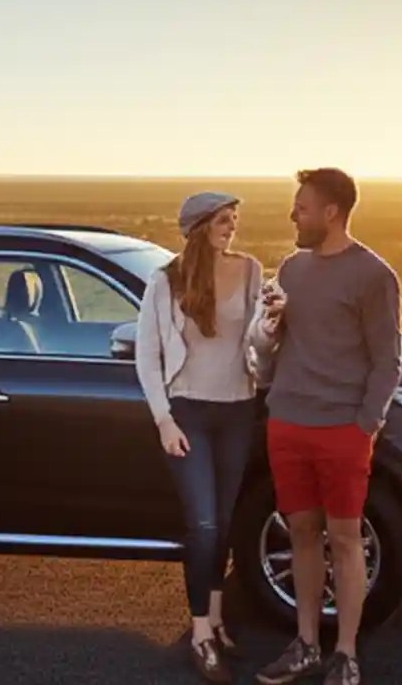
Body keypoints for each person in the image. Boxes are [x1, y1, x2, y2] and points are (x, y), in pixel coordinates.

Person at [251, 168, 402, 685]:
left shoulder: (373, 276)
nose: (293, 213)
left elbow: (388, 361)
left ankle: (345, 654)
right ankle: (306, 646)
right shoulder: (292, 270)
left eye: (302, 206)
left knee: (344, 538)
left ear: (331, 213)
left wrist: (366, 424)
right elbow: (277, 343)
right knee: (301, 534)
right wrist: (267, 339)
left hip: (342, 429)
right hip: (288, 420)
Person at [134, 191, 268, 683]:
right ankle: (199, 635)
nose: (231, 227)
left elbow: (259, 342)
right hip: (188, 411)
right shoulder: (165, 281)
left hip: (238, 411)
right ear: (198, 227)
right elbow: (147, 356)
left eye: (234, 220)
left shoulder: (251, 270)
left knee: (227, 521)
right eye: (222, 221)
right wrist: (164, 420)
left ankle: (216, 621)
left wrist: (273, 322)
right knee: (205, 524)